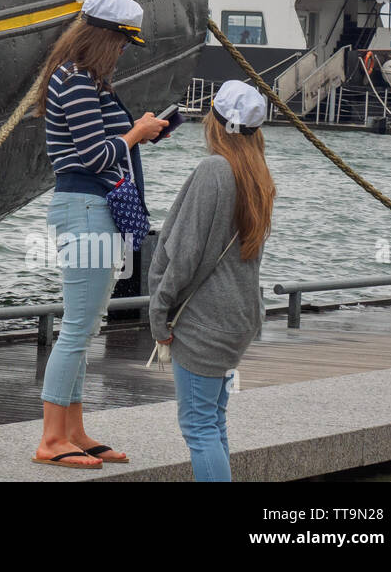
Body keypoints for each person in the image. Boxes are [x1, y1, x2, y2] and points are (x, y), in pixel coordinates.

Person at [31, 0, 169, 469]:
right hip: (87, 209)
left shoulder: (82, 79)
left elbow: (100, 147)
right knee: (76, 329)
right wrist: (136, 133)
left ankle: (74, 430)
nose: (126, 51)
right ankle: (51, 438)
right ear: (104, 38)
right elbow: (94, 156)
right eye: (124, 42)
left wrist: (143, 132)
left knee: (85, 326)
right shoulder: (76, 81)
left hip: (92, 208)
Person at [149, 80, 275, 482]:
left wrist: (159, 309)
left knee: (198, 428)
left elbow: (185, 254)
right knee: (214, 421)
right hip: (237, 318)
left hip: (205, 323)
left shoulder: (214, 170)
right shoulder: (256, 175)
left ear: (216, 123)